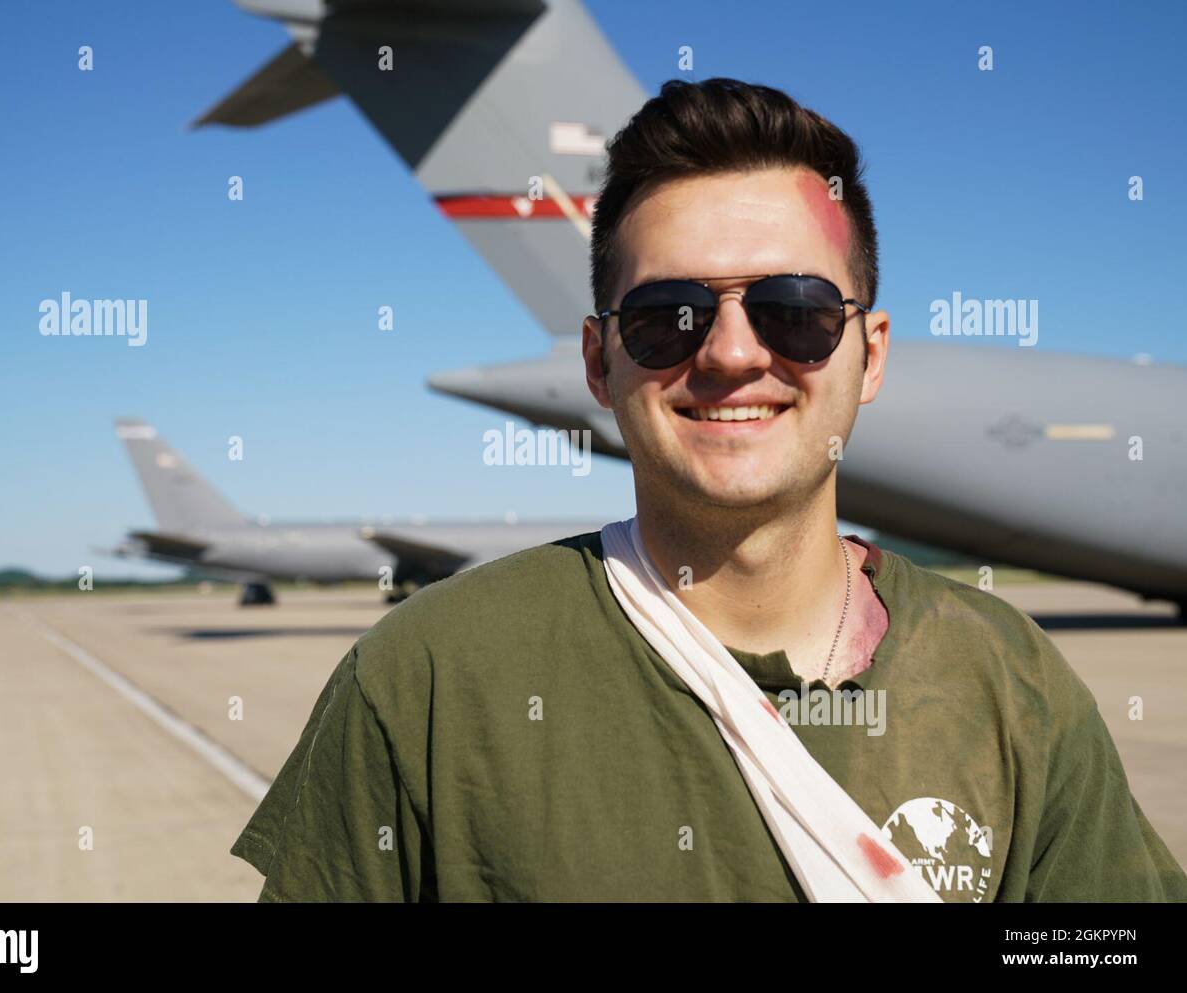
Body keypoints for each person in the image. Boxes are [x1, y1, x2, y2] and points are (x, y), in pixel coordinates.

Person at [230, 78, 1187, 902]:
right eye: (668, 316)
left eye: (795, 312)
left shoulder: (1011, 683)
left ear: (872, 352)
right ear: (600, 364)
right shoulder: (427, 681)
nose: (732, 352)